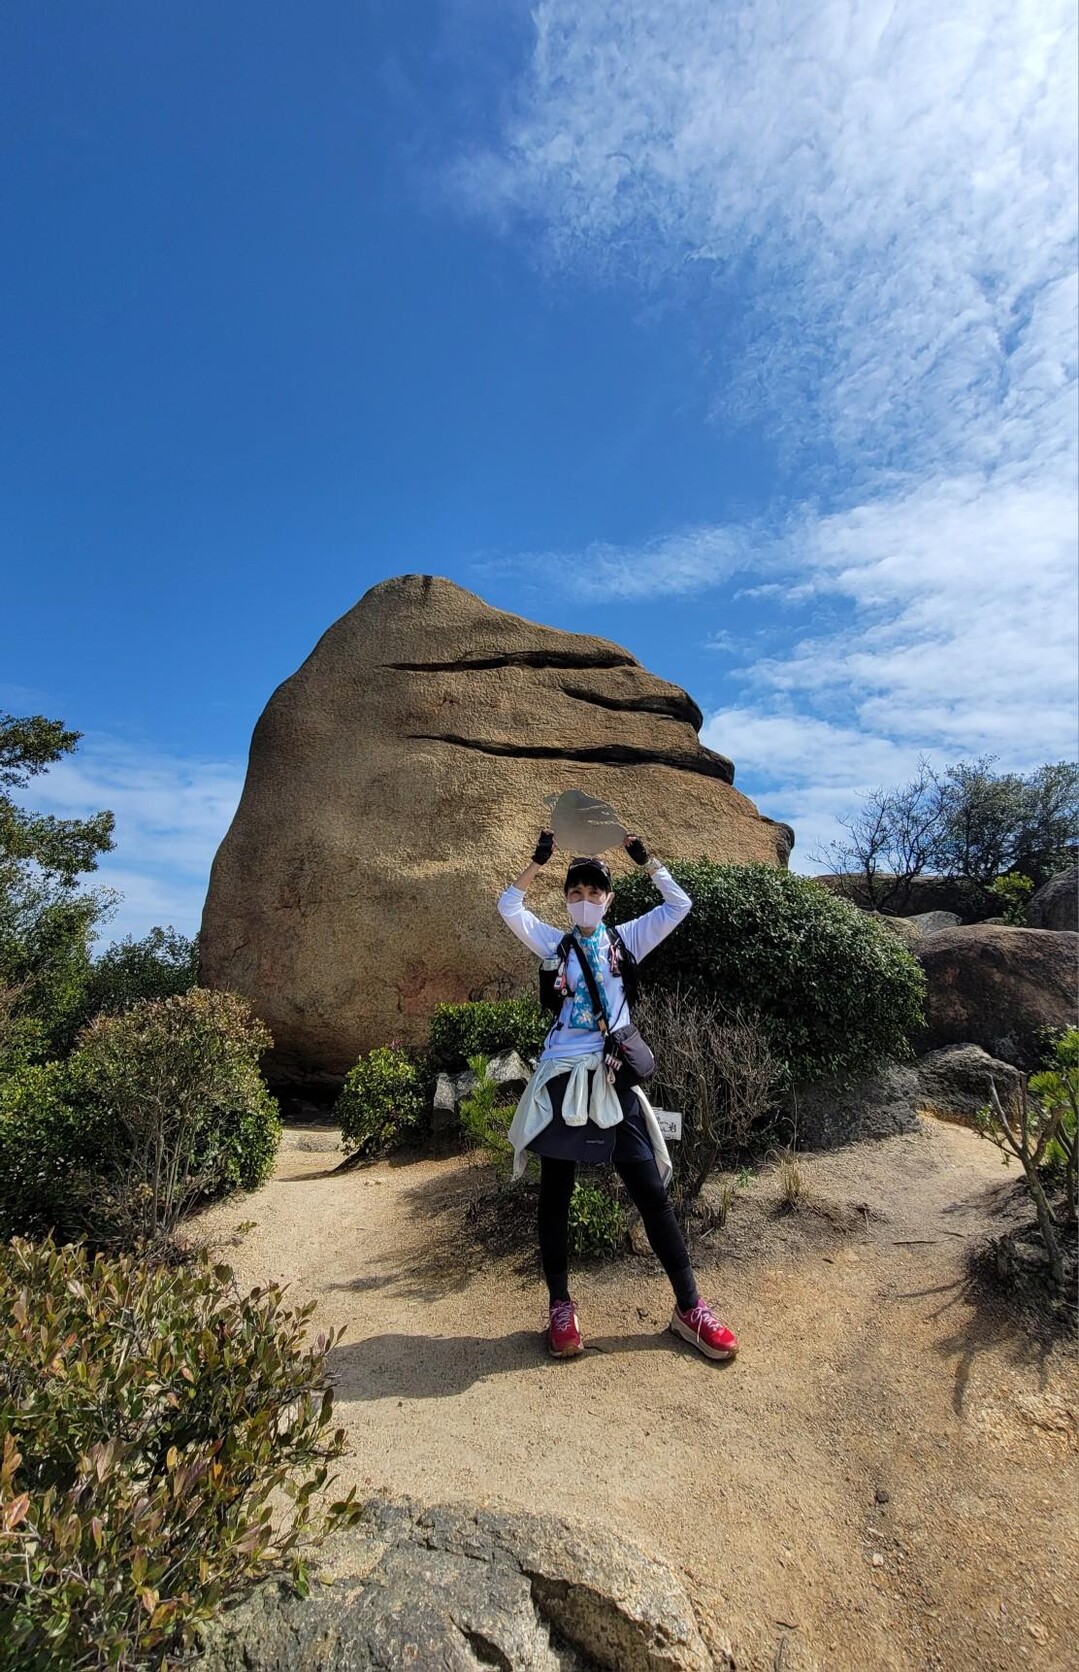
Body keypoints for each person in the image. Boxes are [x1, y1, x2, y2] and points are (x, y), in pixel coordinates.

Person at [497, 828, 739, 1363]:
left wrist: (645, 859)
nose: (585, 901)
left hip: (610, 1076)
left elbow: (680, 903)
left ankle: (689, 1309)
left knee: (650, 1190)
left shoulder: (626, 940)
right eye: (576, 893)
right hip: (563, 1077)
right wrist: (538, 860)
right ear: (566, 899)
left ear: (609, 898)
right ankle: (560, 1306)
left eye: (595, 892)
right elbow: (509, 904)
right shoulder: (554, 944)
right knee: (555, 1194)